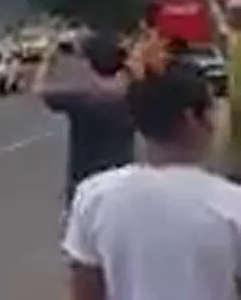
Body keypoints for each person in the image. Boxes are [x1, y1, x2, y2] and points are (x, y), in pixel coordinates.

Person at [62, 33, 241, 300]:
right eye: (214, 108)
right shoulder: (231, 205)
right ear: (193, 118)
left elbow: (86, 292)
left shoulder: (94, 196)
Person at [35, 31, 135, 211]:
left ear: (89, 63)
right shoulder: (131, 94)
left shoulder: (81, 96)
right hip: (122, 183)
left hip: (84, 185)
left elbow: (40, 88)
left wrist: (48, 60)